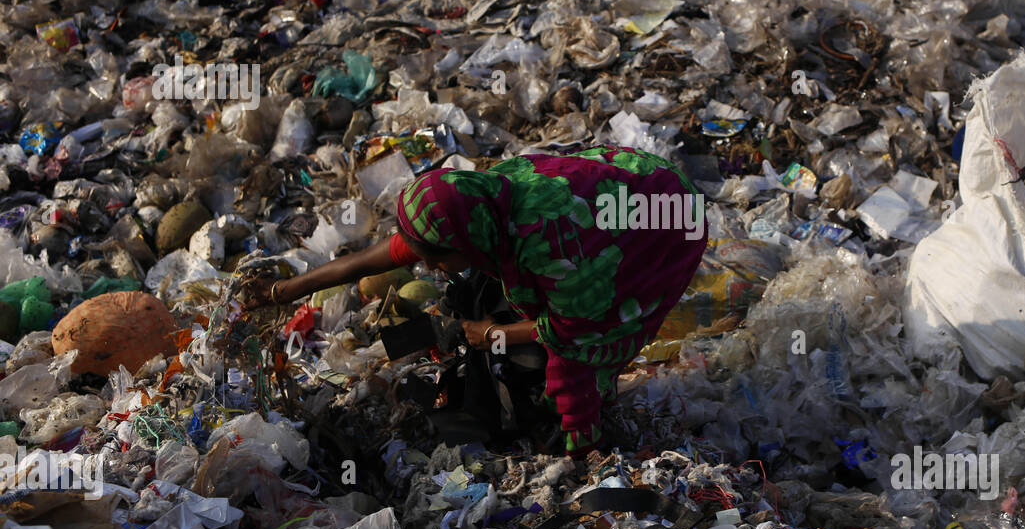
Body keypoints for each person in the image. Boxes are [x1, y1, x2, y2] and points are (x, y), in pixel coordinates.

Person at [247, 144, 708, 456]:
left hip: (665, 220)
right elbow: (367, 260)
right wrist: (279, 292)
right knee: (485, 296)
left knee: (586, 346)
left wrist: (495, 335)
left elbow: (572, 334)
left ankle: (587, 439)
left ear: (465, 244)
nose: (428, 269)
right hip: (618, 187)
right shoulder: (466, 211)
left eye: (435, 262)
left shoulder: (553, 248)